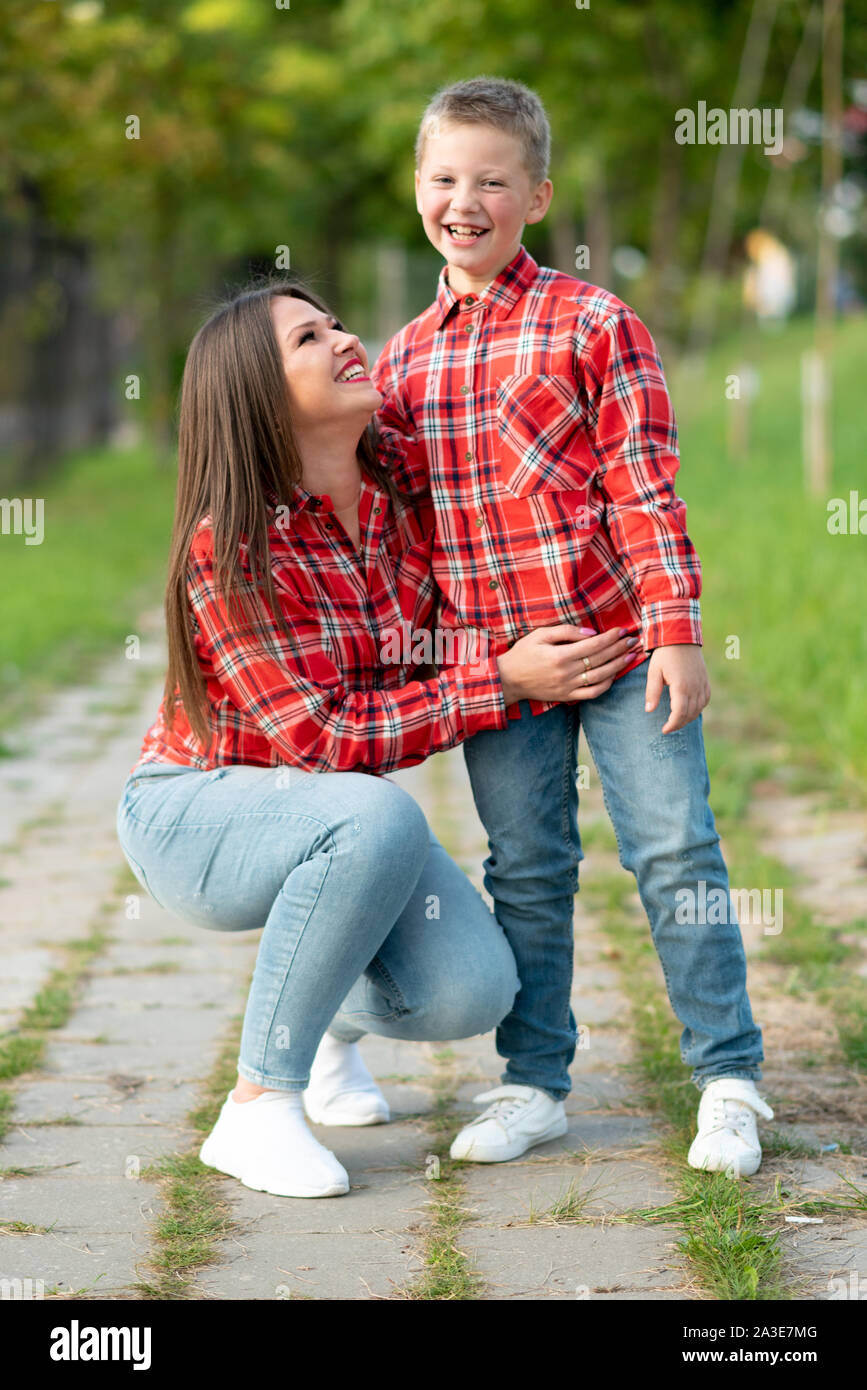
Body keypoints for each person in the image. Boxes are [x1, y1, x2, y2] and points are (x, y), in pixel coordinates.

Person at [115, 278, 635, 1199]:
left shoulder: (403, 498)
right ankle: (257, 1107)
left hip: (332, 825)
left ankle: (319, 1026)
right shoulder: (228, 548)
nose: (346, 339)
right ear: (258, 398)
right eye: (308, 339)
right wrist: (500, 682)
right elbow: (320, 742)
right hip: (196, 812)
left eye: (336, 323)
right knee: (372, 812)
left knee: (472, 990)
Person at [371, 76, 773, 1179]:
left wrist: (677, 630)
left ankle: (728, 1074)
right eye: (446, 178)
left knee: (674, 845)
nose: (467, 199)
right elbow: (411, 545)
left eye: (493, 180)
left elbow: (646, 489)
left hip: (621, 648)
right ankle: (535, 1079)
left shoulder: (595, 323)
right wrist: (461, 668)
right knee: (529, 868)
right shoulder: (400, 364)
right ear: (418, 190)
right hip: (504, 671)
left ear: (536, 196)